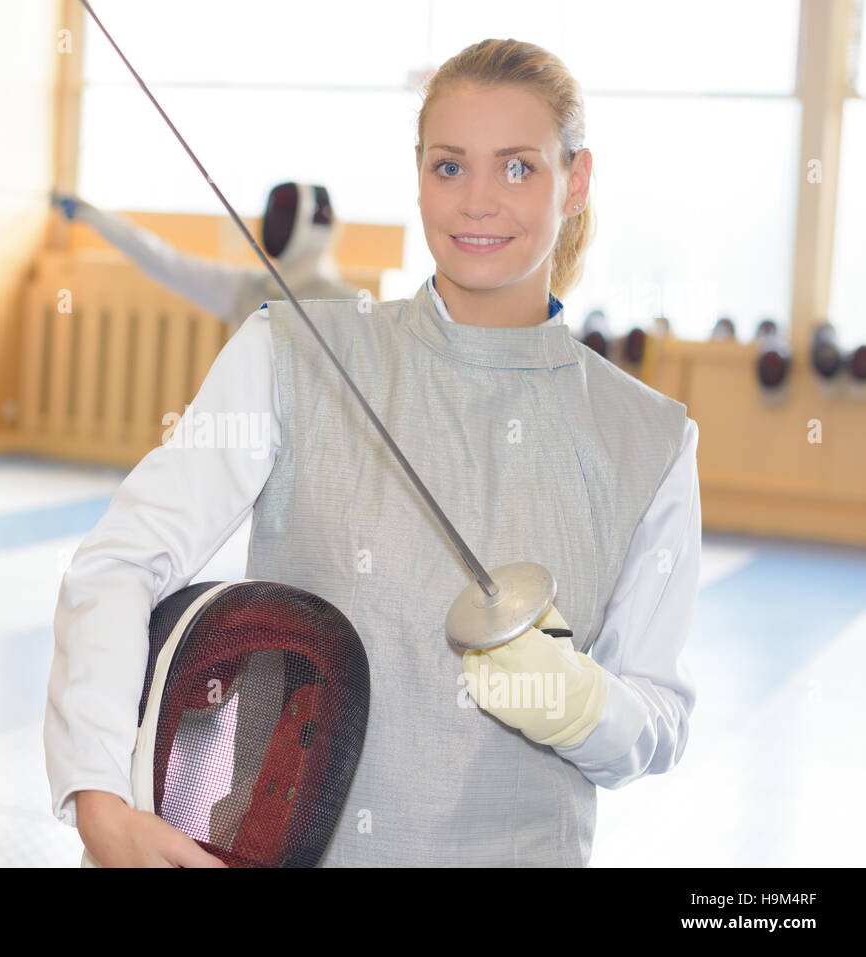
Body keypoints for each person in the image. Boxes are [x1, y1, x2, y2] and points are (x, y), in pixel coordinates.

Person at [45, 38, 703, 867]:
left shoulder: (651, 438)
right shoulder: (295, 351)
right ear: (419, 174)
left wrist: (580, 704)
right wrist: (99, 798)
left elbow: (661, 717)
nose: (477, 203)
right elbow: (120, 559)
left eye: (518, 168)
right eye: (450, 167)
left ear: (575, 182)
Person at [52, 182, 358, 328]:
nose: (275, 225)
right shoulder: (249, 290)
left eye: (285, 217)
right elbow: (164, 262)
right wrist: (93, 216)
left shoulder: (347, 305)